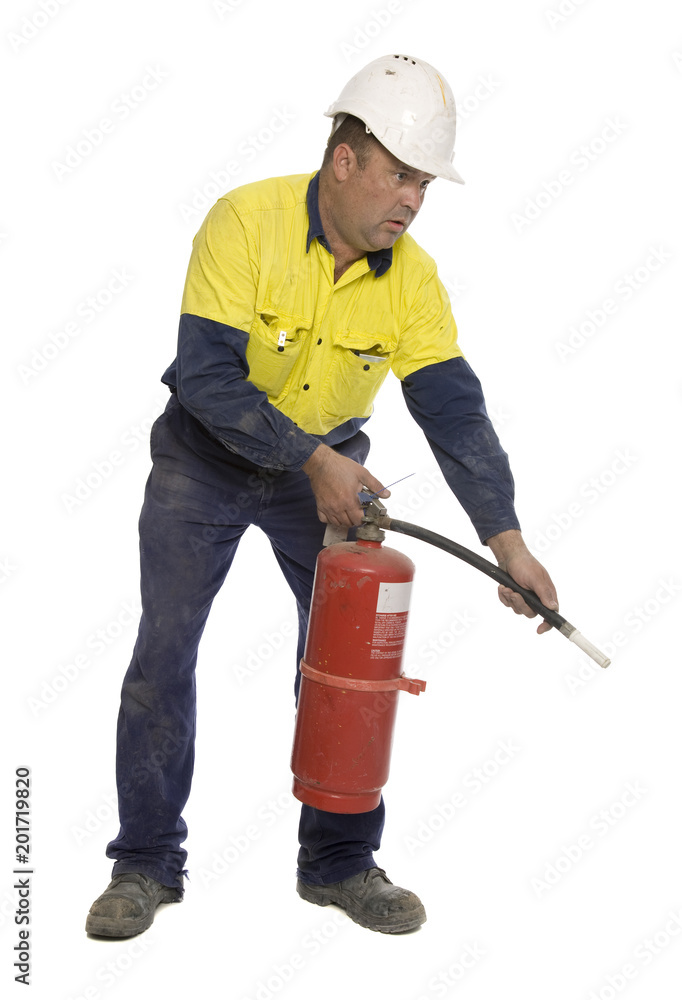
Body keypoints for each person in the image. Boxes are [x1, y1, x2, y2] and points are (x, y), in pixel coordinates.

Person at [85, 53, 558, 939]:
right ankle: (145, 864)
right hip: (205, 458)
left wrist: (509, 543)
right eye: (402, 175)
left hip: (330, 474)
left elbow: (454, 413)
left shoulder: (411, 278)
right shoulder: (246, 222)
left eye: (425, 183)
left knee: (355, 657)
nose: (413, 200)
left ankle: (338, 861)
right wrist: (309, 459)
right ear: (346, 159)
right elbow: (208, 377)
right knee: (164, 655)